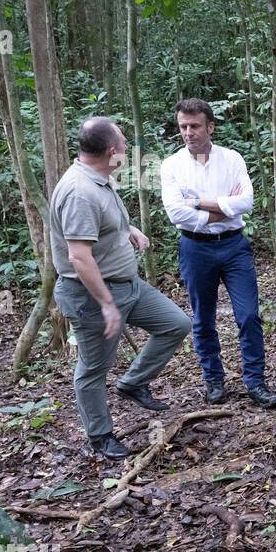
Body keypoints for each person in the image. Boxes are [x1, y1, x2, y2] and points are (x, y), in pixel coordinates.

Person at [49, 117, 192, 460]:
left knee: (176, 324)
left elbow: (102, 222)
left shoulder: (98, 178)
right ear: (111, 151)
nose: (128, 151)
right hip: (93, 296)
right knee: (94, 369)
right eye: (125, 145)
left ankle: (133, 383)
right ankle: (100, 436)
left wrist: (128, 228)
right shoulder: (79, 192)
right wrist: (107, 304)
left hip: (128, 285)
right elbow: (79, 257)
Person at [160, 98, 276, 408]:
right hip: (194, 247)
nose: (188, 132)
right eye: (183, 126)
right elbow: (175, 214)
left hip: (233, 246)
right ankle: (214, 380)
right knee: (203, 318)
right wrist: (222, 206)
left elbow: (247, 203)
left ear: (210, 127)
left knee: (249, 315)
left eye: (195, 126)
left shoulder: (231, 159)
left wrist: (198, 204)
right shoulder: (172, 165)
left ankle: (255, 381)